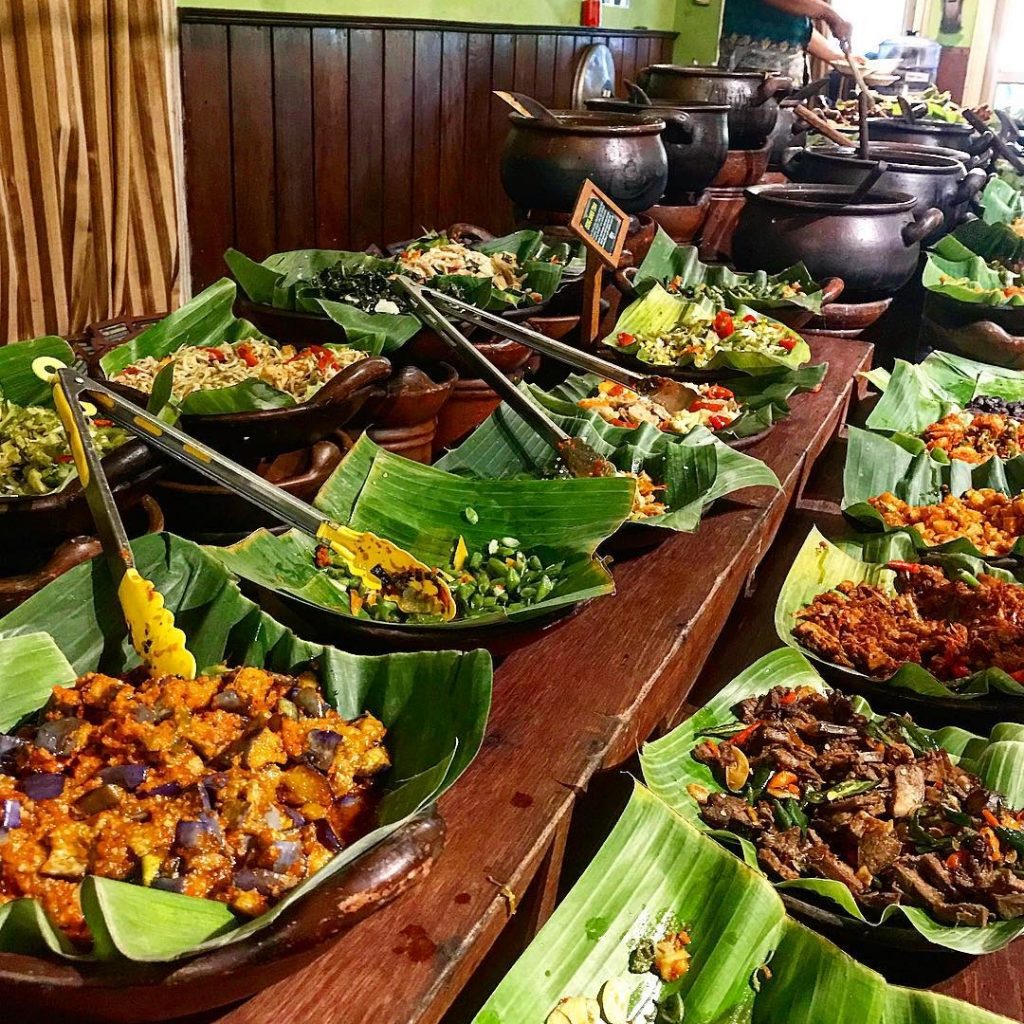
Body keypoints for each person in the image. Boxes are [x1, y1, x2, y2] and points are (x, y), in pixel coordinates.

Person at [718, 0, 855, 81]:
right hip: (746, 73)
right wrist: (828, 14)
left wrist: (837, 57)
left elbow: (794, 25)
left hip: (784, 81)